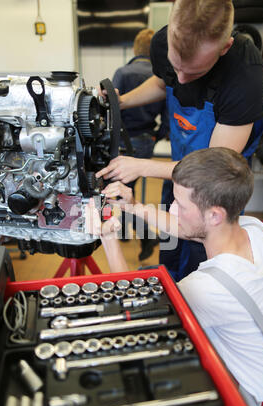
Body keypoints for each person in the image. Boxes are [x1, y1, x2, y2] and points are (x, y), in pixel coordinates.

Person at [86, 147, 263, 406]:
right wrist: (134, 207)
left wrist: (109, 239)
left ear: (214, 215)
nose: (172, 209)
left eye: (180, 204)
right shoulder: (254, 228)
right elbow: (191, 230)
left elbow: (133, 311)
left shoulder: (207, 288)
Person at [96, 0, 263, 282]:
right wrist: (121, 102)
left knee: (198, 268)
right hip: (175, 177)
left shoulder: (244, 77)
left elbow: (214, 169)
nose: (182, 80)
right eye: (176, 67)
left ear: (224, 48)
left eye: (195, 72)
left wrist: (143, 167)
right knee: (171, 250)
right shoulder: (164, 43)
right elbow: (162, 82)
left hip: (214, 190)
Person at [112, 28, 169, 261]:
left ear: (136, 49)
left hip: (124, 141)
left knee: (119, 193)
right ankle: (126, 232)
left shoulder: (123, 72)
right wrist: (158, 134)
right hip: (147, 140)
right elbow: (167, 114)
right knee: (127, 190)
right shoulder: (163, 76)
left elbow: (112, 110)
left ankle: (147, 236)